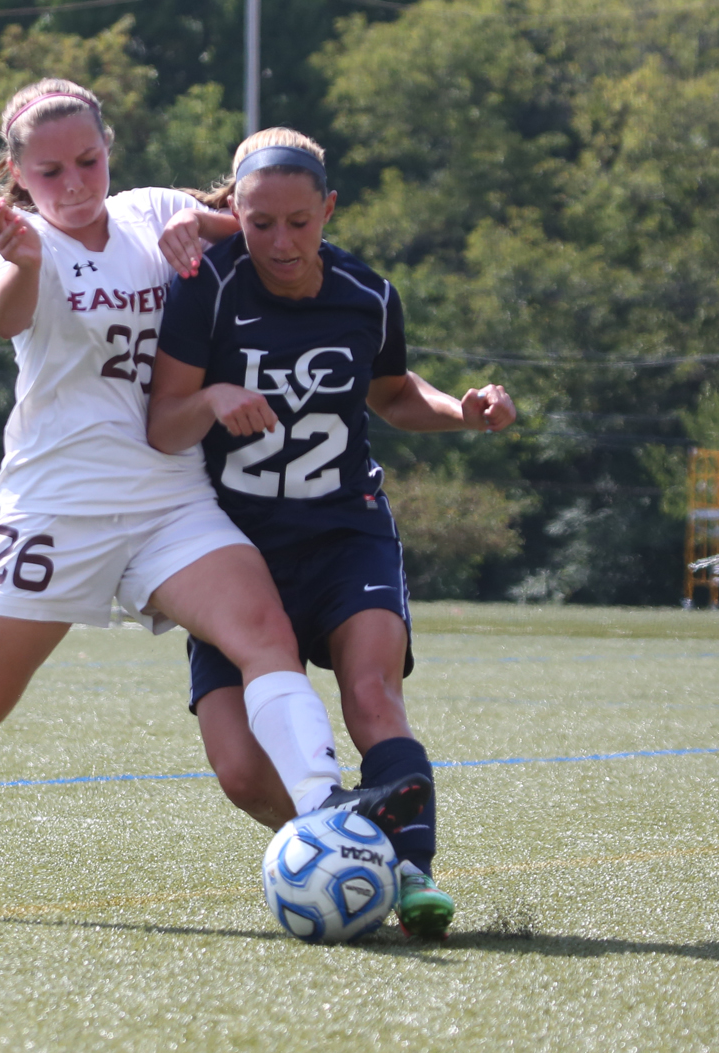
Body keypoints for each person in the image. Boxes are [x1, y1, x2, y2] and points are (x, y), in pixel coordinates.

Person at [0, 84, 429, 911]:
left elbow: (264, 223)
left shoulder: (149, 210)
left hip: (168, 498)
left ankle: (327, 811)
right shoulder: (24, 242)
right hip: (58, 510)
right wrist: (29, 264)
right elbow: (8, 315)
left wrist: (204, 224)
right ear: (15, 174)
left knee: (265, 636)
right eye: (50, 171)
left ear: (109, 149)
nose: (74, 184)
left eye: (90, 161)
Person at [147, 128, 517, 940]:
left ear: (330, 211)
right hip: (234, 554)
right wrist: (209, 401)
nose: (281, 242)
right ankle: (355, 850)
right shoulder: (206, 285)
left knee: (374, 698)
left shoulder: (367, 293)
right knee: (241, 771)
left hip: (347, 531)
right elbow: (164, 426)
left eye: (301, 222)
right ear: (232, 213)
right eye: (260, 222)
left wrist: (462, 411)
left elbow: (391, 393)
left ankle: (412, 872)